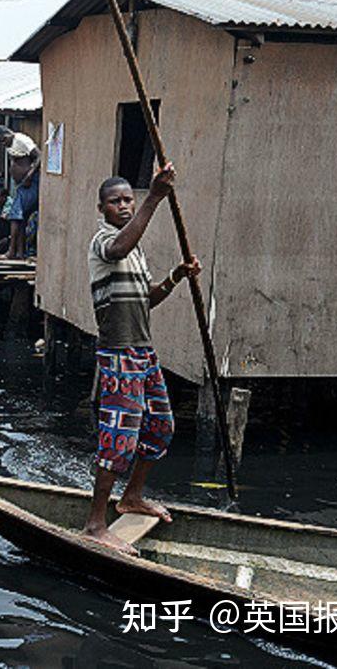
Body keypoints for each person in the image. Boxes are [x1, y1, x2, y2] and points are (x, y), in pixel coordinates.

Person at [82, 164, 201, 556]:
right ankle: (96, 525)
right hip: (117, 352)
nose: (124, 207)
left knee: (160, 428)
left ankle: (131, 497)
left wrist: (176, 277)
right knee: (118, 441)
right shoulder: (104, 241)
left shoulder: (136, 248)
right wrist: (155, 197)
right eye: (115, 202)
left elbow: (146, 298)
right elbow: (119, 249)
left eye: (128, 200)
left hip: (143, 351)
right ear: (102, 209)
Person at [5, 133, 41, 259]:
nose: (4, 144)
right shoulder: (13, 145)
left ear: (7, 134)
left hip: (29, 183)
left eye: (4, 140)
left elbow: (39, 156)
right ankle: (20, 253)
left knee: (15, 216)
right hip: (22, 185)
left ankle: (11, 251)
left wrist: (29, 175)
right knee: (21, 218)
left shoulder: (22, 140)